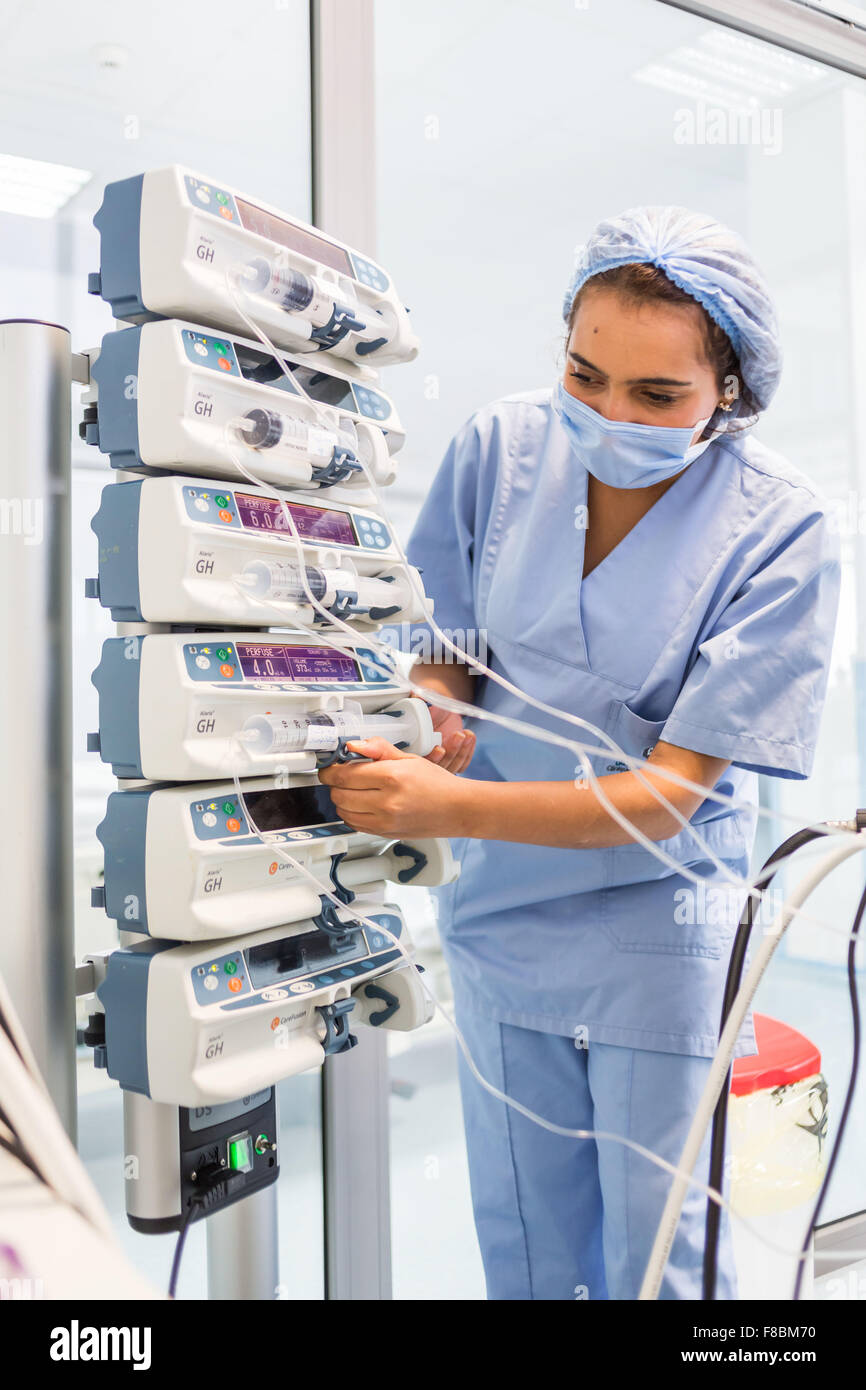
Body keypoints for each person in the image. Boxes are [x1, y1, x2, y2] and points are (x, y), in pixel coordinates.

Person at [318, 207, 841, 1300]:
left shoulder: (779, 529)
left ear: (729, 394)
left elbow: (664, 797)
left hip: (661, 923)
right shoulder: (499, 449)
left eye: (656, 395)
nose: (607, 411)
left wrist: (441, 806)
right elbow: (446, 638)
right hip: (503, 913)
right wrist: (437, 711)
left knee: (658, 1252)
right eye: (583, 373)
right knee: (525, 1238)